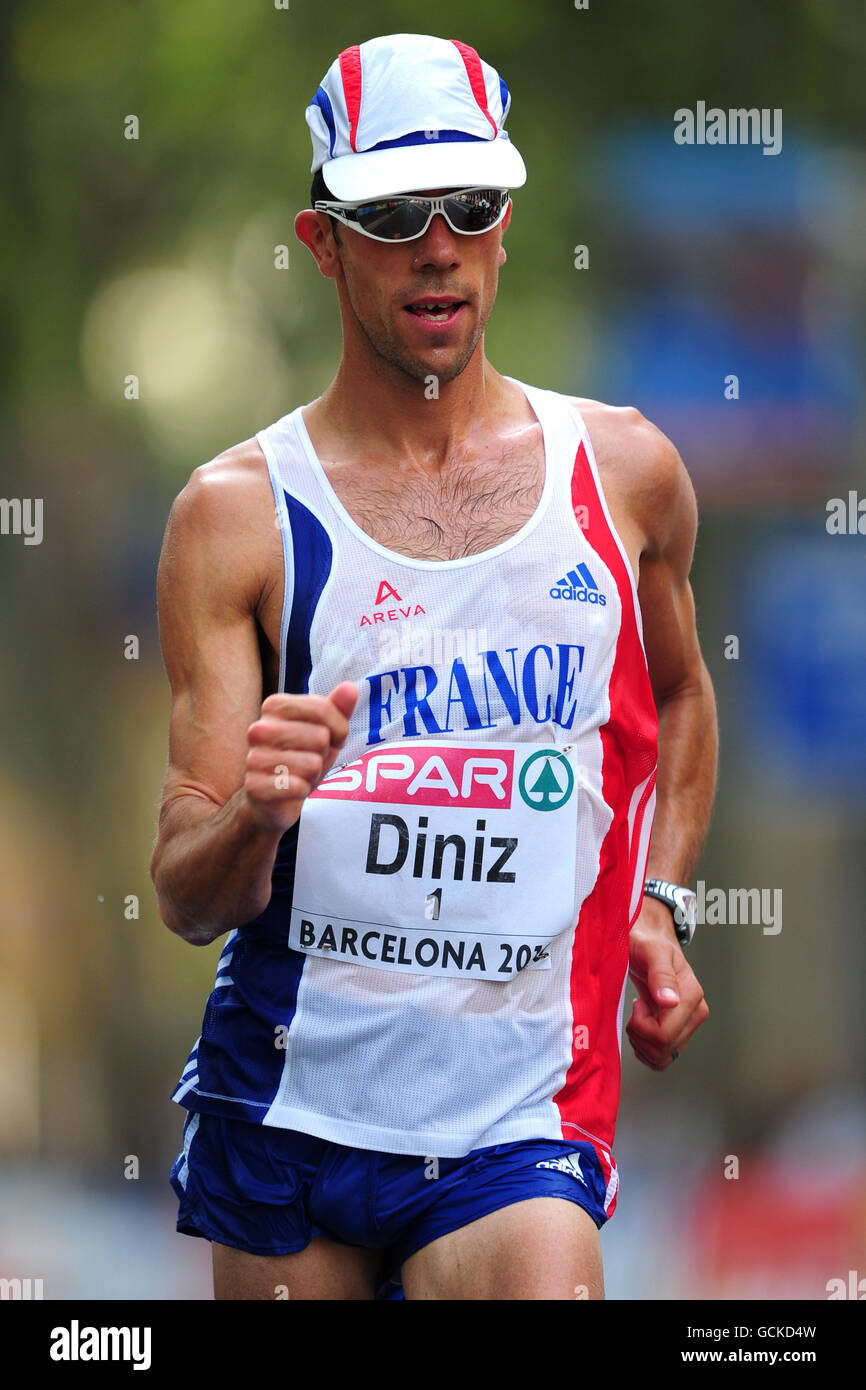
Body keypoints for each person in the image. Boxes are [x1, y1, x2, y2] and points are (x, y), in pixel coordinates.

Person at [151, 32, 716, 1301]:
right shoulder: (238, 516)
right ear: (322, 242)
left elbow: (677, 696)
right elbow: (188, 894)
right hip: (285, 1115)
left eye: (468, 207)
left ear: (506, 224)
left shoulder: (622, 476)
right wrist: (256, 811)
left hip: (514, 1120)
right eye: (393, 215)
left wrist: (654, 903)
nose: (438, 247)